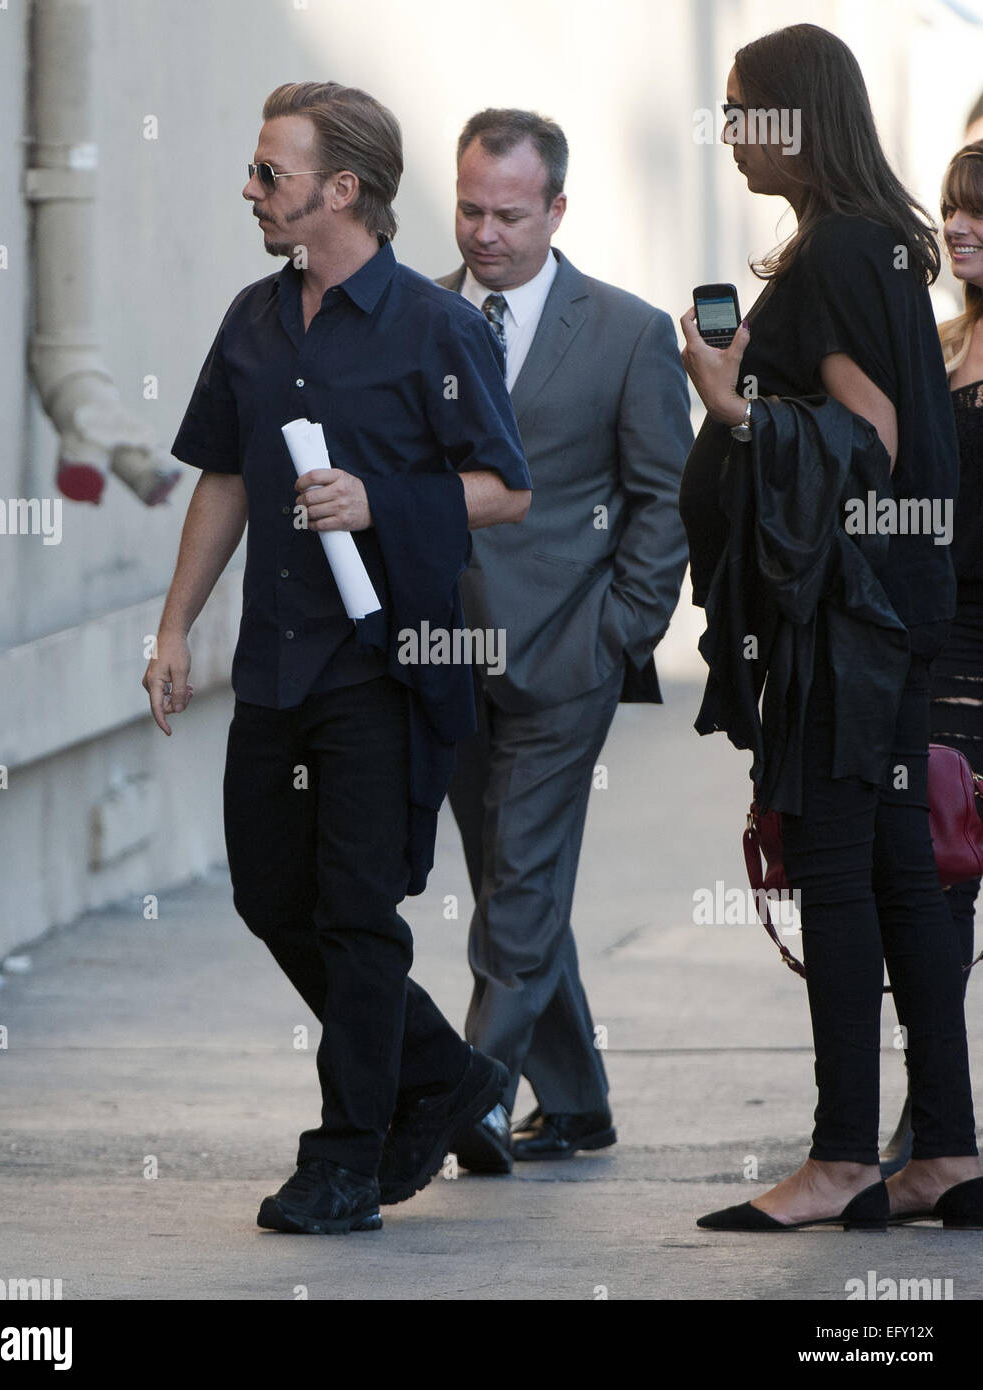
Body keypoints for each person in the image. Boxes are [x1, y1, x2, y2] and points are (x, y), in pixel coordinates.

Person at [142, 81, 532, 1234]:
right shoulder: (253, 322)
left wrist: (382, 500)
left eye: (272, 173)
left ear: (343, 191)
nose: (251, 190)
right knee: (273, 895)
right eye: (256, 169)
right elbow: (221, 476)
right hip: (274, 662)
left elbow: (508, 488)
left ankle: (347, 1155)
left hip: (385, 663)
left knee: (360, 913)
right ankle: (443, 1069)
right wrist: (173, 626)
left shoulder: (438, 327)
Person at [679, 24, 983, 1230]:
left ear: (794, 120)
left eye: (743, 108)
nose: (730, 129)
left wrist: (736, 412)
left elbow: (876, 442)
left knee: (841, 873)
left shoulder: (842, 255)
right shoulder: (870, 249)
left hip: (850, 632)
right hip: (886, 619)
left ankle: (846, 1153)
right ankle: (949, 1150)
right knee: (901, 871)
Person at [437, 109, 691, 1170]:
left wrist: (621, 629)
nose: (484, 233)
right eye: (468, 209)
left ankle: (471, 1096)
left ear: (557, 209)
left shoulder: (628, 333)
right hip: (440, 653)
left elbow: (665, 497)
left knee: (524, 878)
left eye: (508, 213)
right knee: (509, 880)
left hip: (567, 653)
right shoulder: (417, 312)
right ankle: (577, 1100)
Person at [879, 140, 983, 1168]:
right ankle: (937, 1112)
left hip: (976, 656)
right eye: (954, 209)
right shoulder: (940, 342)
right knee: (931, 877)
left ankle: (935, 1121)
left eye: (980, 213)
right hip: (927, 642)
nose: (958, 227)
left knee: (939, 874)